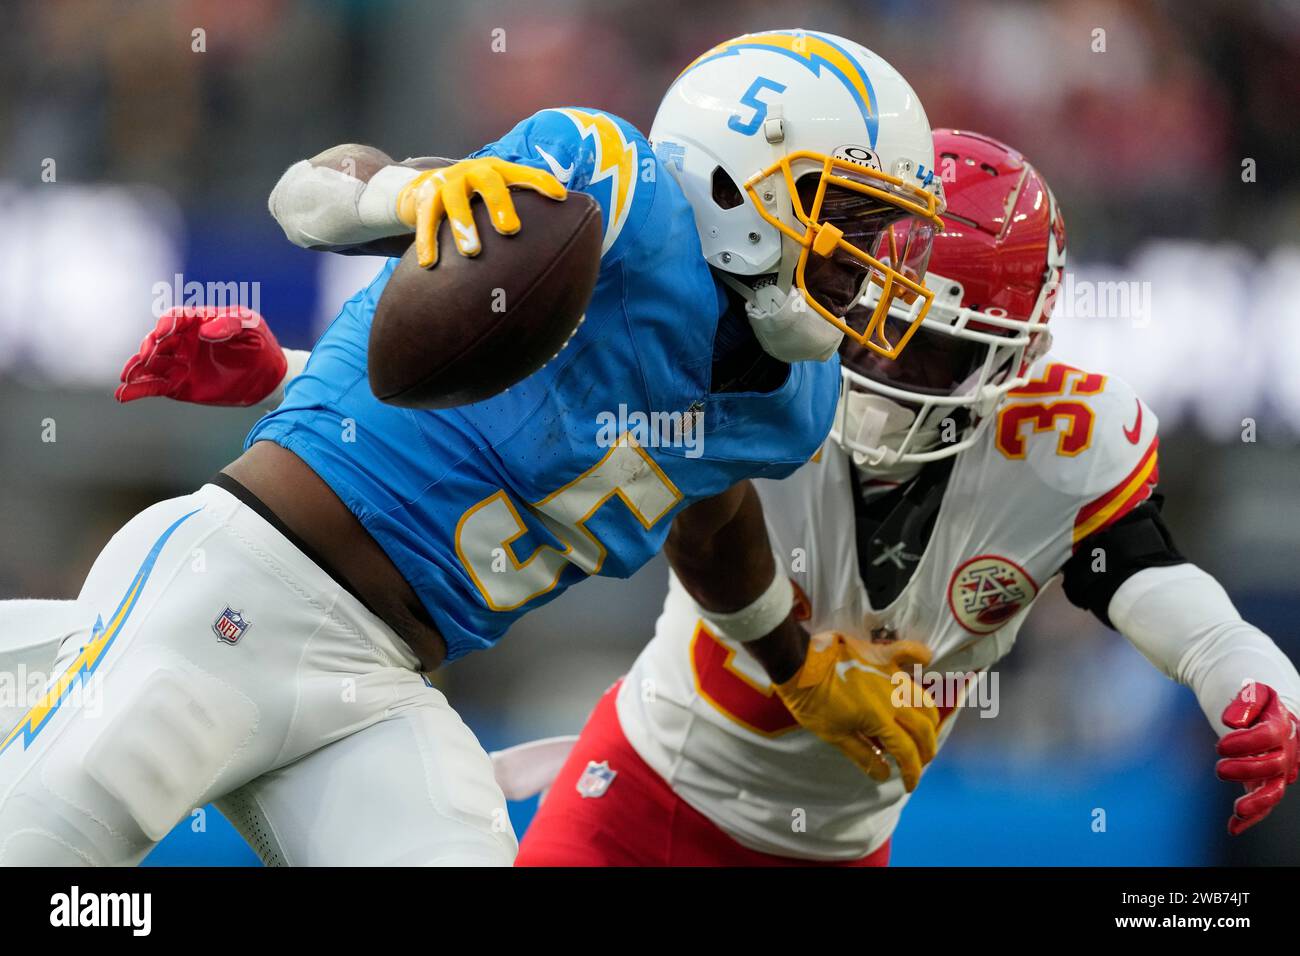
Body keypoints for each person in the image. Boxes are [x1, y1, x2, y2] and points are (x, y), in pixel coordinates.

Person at [0, 30, 946, 865]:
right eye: (852, 217)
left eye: (886, 230)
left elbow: (707, 507)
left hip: (382, 685)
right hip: (237, 585)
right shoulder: (607, 184)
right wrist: (419, 193)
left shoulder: (793, 400)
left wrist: (796, 664)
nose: (872, 260)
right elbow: (307, 196)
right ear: (741, 179)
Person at [507, 130, 1300, 866]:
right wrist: (799, 663)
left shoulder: (1063, 439)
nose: (890, 375)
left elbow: (1140, 572)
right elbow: (698, 525)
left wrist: (1240, 667)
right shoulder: (761, 376)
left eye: (936, 351)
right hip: (649, 788)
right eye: (876, 324)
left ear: (1019, 356)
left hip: (841, 847)